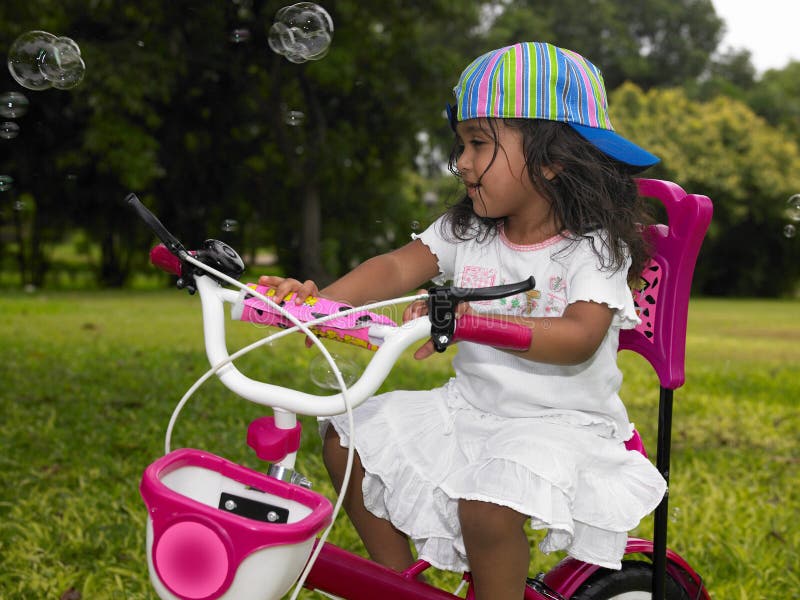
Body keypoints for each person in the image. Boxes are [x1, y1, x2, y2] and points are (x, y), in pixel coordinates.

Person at [260, 41, 667, 600]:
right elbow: (395, 267)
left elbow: (579, 337)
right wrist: (319, 302)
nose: (463, 162)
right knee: (345, 437)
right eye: (462, 145)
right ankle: (397, 585)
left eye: (479, 144)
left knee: (486, 508)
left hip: (560, 426)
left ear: (553, 157)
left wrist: (476, 321)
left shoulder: (593, 249)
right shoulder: (469, 231)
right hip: (472, 411)